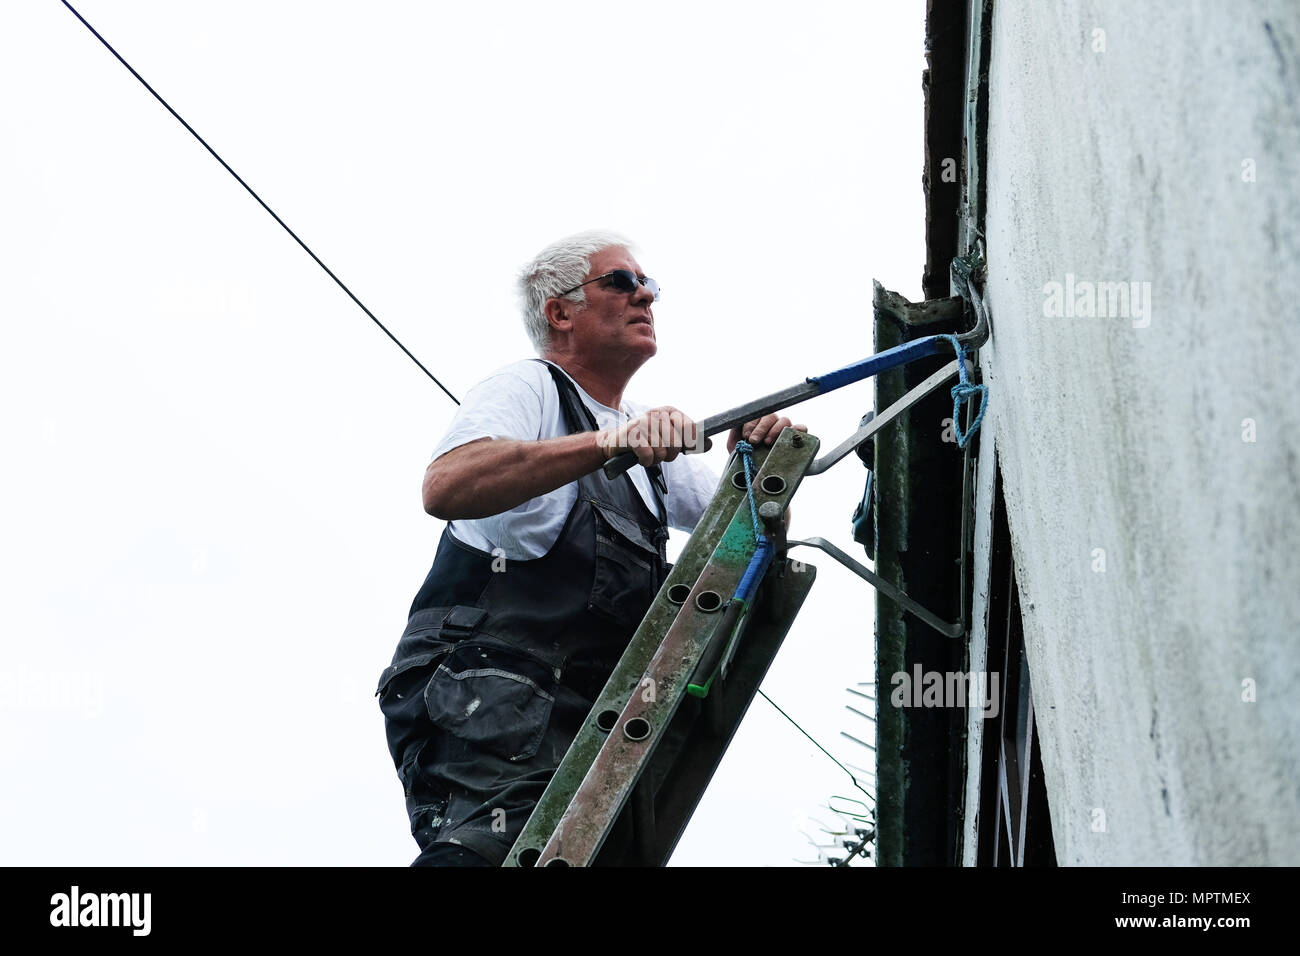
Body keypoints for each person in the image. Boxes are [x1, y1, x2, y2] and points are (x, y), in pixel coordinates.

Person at [375, 231, 802, 866]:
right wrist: (610, 444)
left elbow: (742, 550)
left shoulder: (646, 444)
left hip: (585, 718)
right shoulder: (531, 389)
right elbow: (447, 485)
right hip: (489, 696)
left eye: (649, 284)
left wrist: (759, 471)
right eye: (622, 282)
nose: (646, 296)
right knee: (491, 851)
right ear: (561, 311)